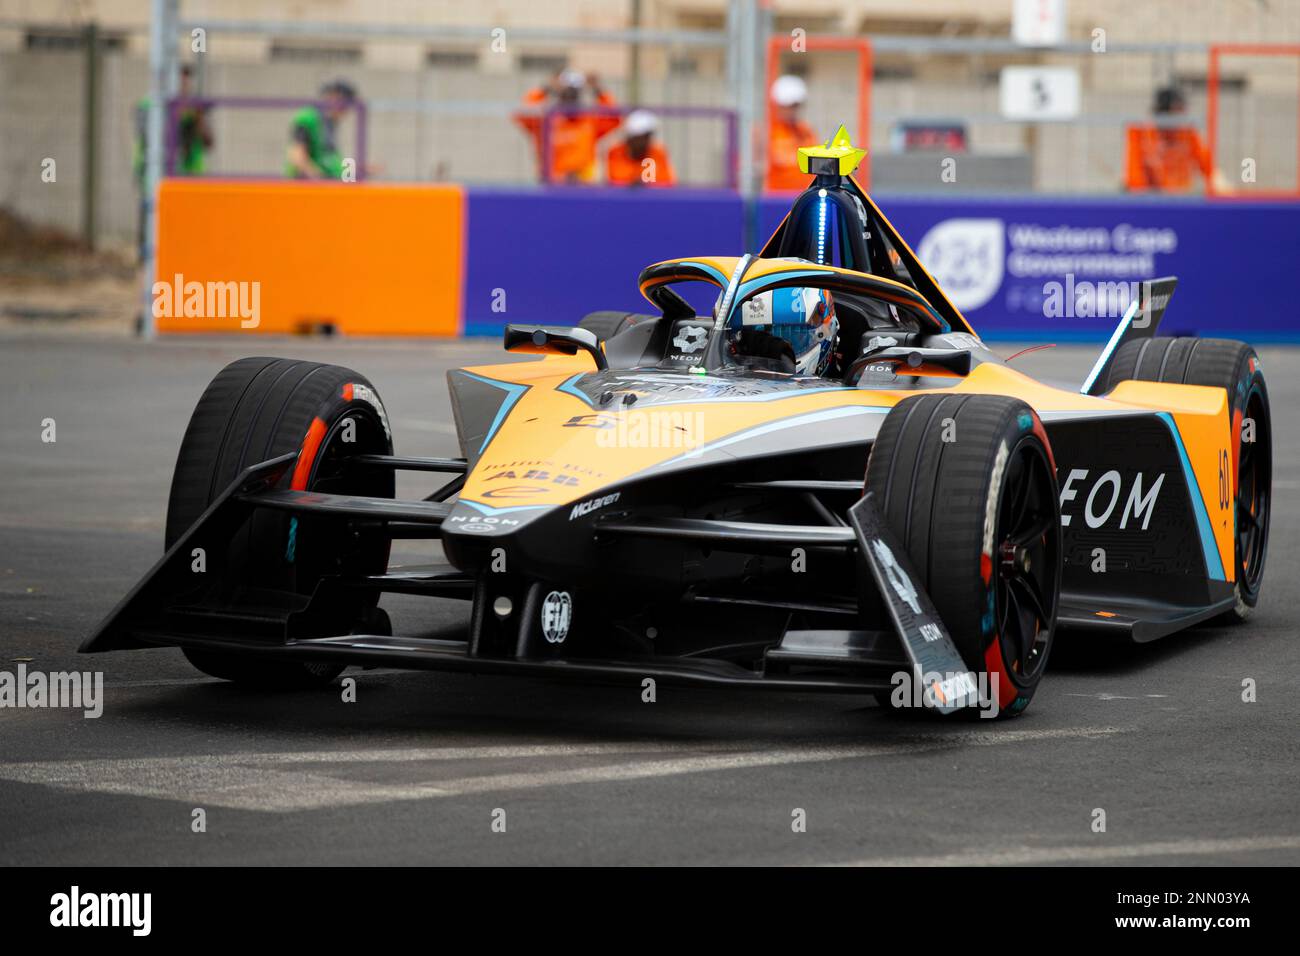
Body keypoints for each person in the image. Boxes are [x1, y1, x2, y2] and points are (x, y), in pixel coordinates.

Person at [134, 64, 211, 260]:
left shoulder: (193, 108)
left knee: (186, 235)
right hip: (155, 178)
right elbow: (154, 139)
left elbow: (208, 141)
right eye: (180, 82)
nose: (184, 87)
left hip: (189, 178)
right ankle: (146, 280)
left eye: (186, 83)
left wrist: (198, 118)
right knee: (150, 235)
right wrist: (181, 115)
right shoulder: (150, 105)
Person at [515, 69, 620, 184]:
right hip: (552, 185)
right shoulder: (547, 122)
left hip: (584, 185)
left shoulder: (590, 120)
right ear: (558, 94)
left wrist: (599, 91)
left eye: (574, 94)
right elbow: (523, 114)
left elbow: (615, 118)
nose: (570, 99)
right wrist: (544, 89)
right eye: (565, 93)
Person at [1125, 85, 1231, 193]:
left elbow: (1208, 167)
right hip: (1152, 201)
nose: (1183, 115)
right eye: (1179, 110)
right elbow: (1134, 179)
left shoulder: (1187, 133)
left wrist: (1222, 186)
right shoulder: (1140, 133)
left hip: (1181, 199)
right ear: (1163, 112)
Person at [286, 80, 357, 179]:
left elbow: (332, 161)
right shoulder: (308, 118)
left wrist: (356, 170)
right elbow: (298, 157)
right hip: (304, 186)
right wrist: (320, 180)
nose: (346, 111)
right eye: (344, 106)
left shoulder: (329, 123)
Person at [765, 74, 817, 192]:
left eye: (796, 106)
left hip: (804, 197)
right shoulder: (766, 132)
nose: (792, 111)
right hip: (776, 199)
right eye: (788, 106)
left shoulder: (806, 131)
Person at [605, 109, 676, 187]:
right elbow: (614, 182)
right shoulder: (615, 153)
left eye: (648, 136)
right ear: (631, 138)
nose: (646, 141)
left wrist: (646, 185)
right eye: (643, 137)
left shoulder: (658, 152)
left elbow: (667, 183)